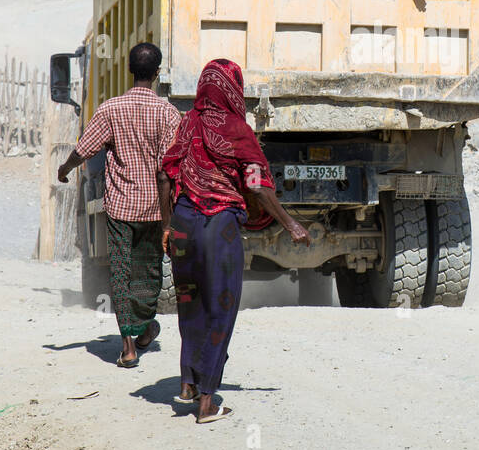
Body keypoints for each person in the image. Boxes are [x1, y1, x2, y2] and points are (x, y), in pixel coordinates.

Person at [157, 59, 310, 423]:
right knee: (221, 307)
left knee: (189, 303)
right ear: (233, 89)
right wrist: (290, 224)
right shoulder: (238, 129)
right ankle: (207, 402)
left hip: (181, 222)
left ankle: (188, 383)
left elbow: (165, 175)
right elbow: (256, 184)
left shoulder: (187, 123)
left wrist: (165, 226)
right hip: (219, 226)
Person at [58, 43, 181, 367]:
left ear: (129, 70)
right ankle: (144, 328)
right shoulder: (168, 113)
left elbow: (84, 148)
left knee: (122, 272)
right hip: (156, 208)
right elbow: (171, 166)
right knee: (150, 272)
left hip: (120, 207)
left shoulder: (110, 109)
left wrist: (65, 168)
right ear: (157, 73)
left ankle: (129, 345)